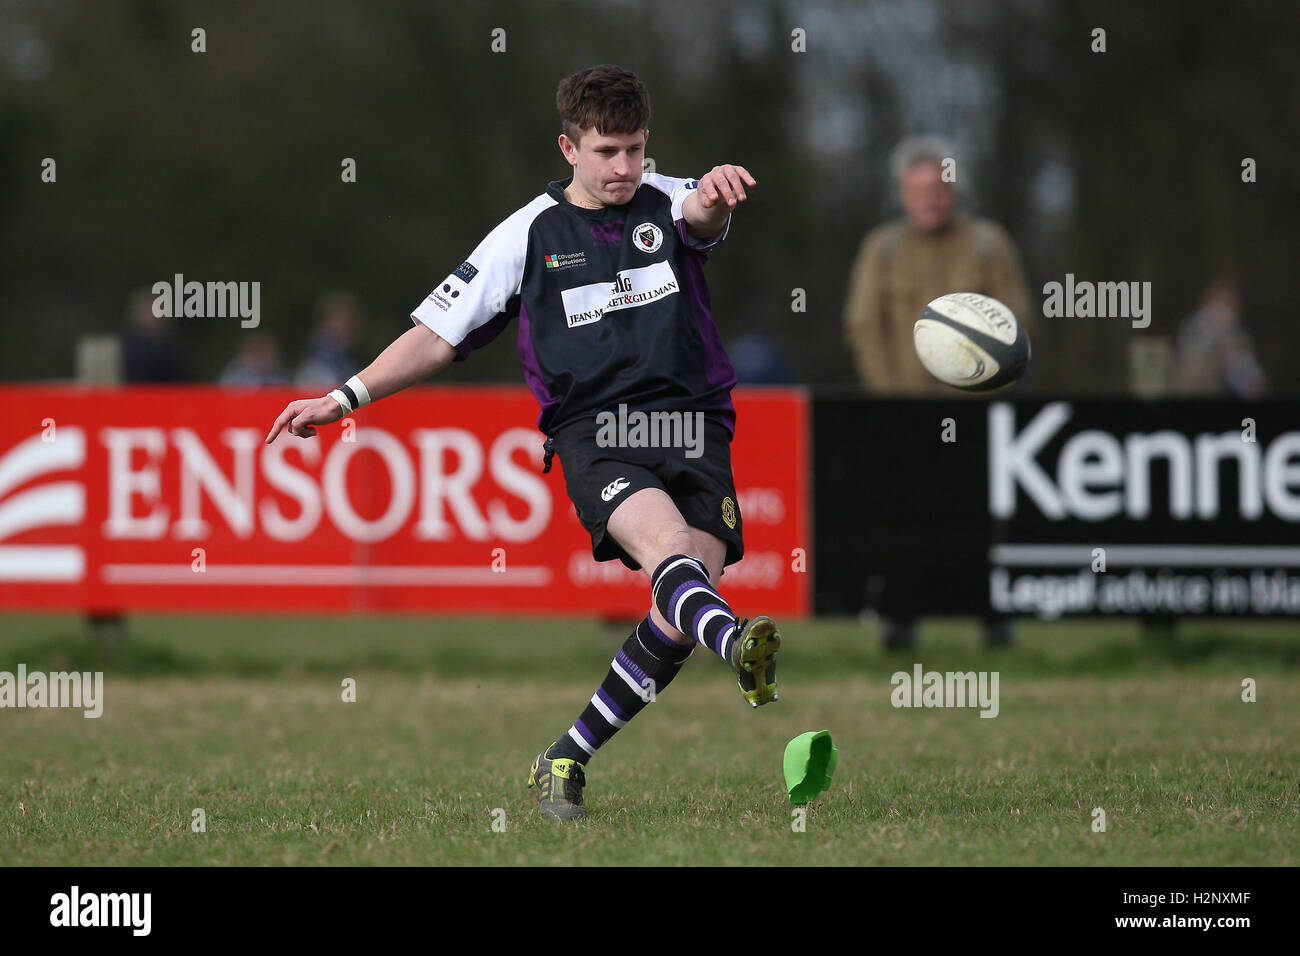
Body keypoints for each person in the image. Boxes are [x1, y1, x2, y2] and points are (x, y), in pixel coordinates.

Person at [265, 64, 779, 822]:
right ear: (567, 148)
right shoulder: (526, 233)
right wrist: (342, 399)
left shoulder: (672, 200)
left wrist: (712, 196)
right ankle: (735, 644)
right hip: (596, 431)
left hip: (694, 422)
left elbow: (702, 219)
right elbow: (435, 338)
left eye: (636, 150)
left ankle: (567, 754)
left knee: (678, 607)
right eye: (607, 152)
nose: (625, 168)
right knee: (669, 550)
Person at [842, 135, 1033, 649]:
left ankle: (993, 620)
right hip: (902, 412)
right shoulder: (881, 248)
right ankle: (900, 619)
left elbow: (1017, 324)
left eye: (940, 187)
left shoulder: (990, 245)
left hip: (975, 412)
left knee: (977, 518)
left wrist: (981, 387)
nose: (931, 198)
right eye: (919, 189)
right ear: (902, 193)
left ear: (956, 189)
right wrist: (893, 397)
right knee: (902, 517)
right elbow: (863, 325)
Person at [1173, 280, 1267, 397]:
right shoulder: (1193, 328)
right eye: (1218, 303)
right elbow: (1190, 373)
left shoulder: (1237, 336)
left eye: (1229, 305)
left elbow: (1250, 380)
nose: (1223, 312)